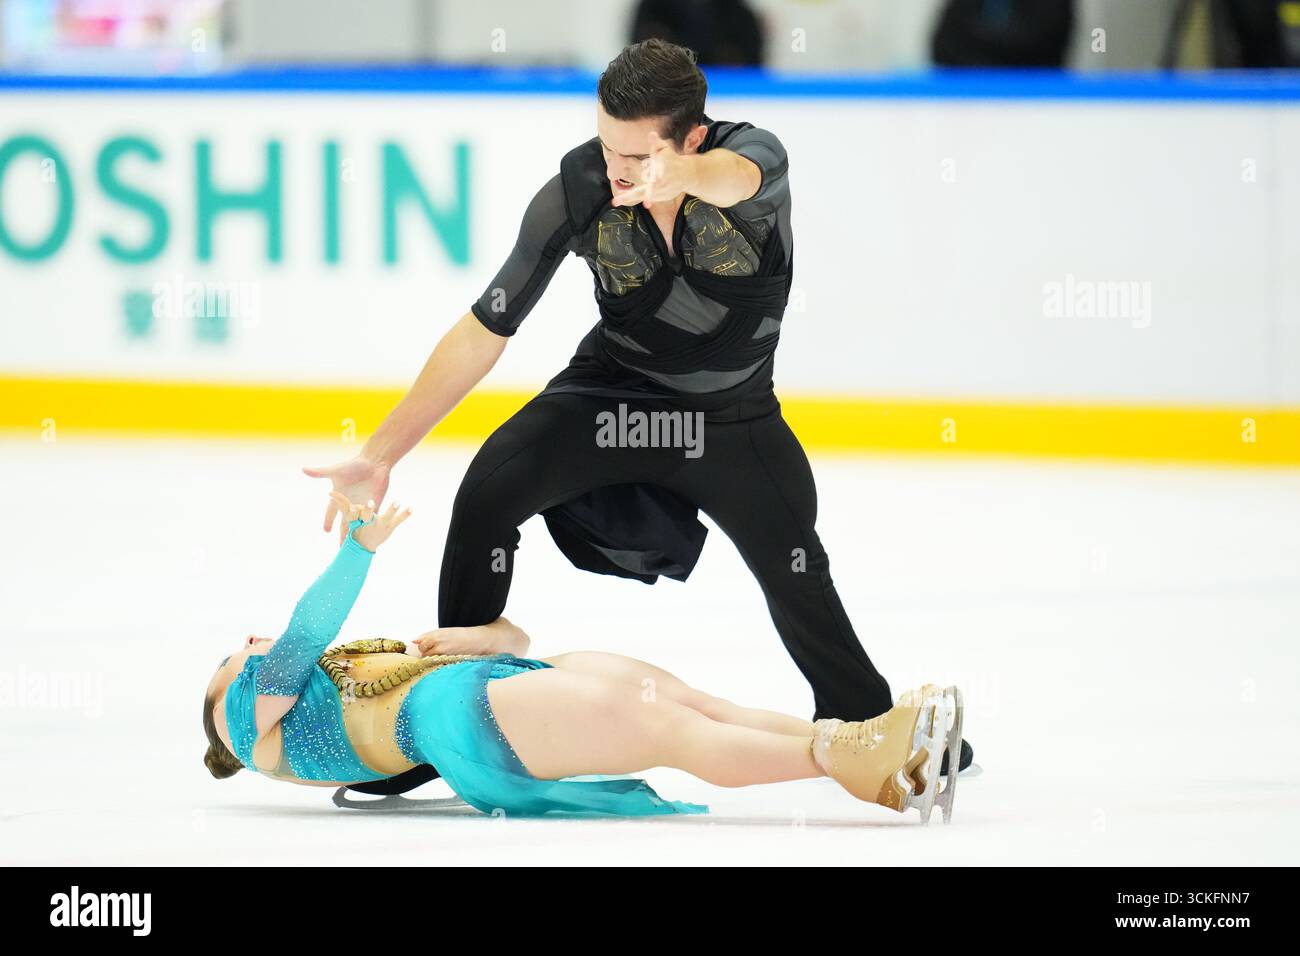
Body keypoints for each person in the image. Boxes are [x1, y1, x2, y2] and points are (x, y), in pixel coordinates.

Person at [303, 39, 975, 797]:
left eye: (639, 154)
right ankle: (445, 717)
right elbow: (482, 330)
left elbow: (732, 175)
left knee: (796, 569)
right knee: (489, 491)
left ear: (689, 136)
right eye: (606, 144)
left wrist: (678, 177)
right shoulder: (580, 189)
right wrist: (382, 450)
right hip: (610, 397)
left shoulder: (749, 160)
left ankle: (873, 728)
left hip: (731, 421)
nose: (616, 169)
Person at [201, 494, 964, 821]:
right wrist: (356, 555)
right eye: (229, 666)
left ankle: (867, 742)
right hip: (457, 719)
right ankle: (863, 764)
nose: (243, 649)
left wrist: (483, 640)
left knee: (689, 703)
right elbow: (300, 637)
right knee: (671, 732)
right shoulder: (255, 730)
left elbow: (516, 643)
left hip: (494, 685)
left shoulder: (342, 677)